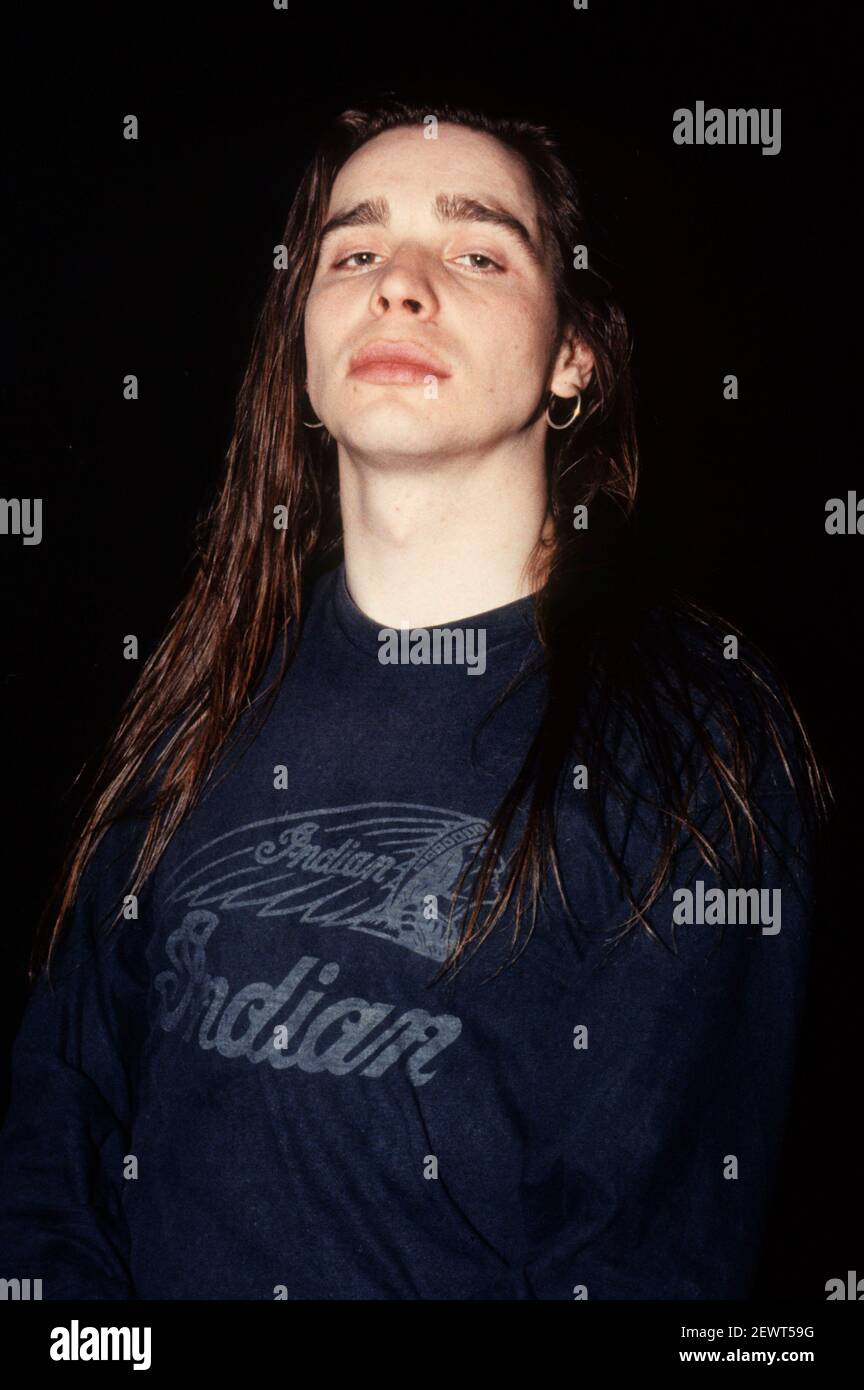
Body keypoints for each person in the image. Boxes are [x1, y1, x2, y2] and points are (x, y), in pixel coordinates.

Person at [0, 96, 831, 1300]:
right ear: (301, 340)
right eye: (355, 249)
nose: (400, 284)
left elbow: (650, 1256)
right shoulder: (203, 689)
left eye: (477, 249)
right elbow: (60, 1113)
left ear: (572, 356)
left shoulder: (694, 736)